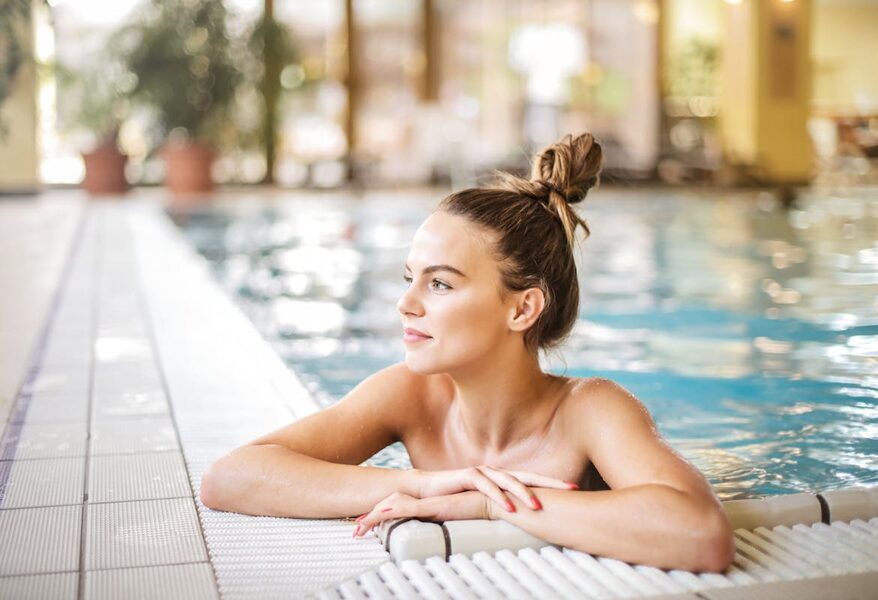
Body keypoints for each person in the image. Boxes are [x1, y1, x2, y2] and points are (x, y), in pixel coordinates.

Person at [200, 133, 735, 573]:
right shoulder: (410, 396)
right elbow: (230, 477)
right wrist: (425, 483)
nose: (405, 304)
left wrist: (486, 503)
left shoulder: (588, 411)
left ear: (523, 309)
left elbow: (700, 534)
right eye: (411, 279)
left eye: (440, 285)